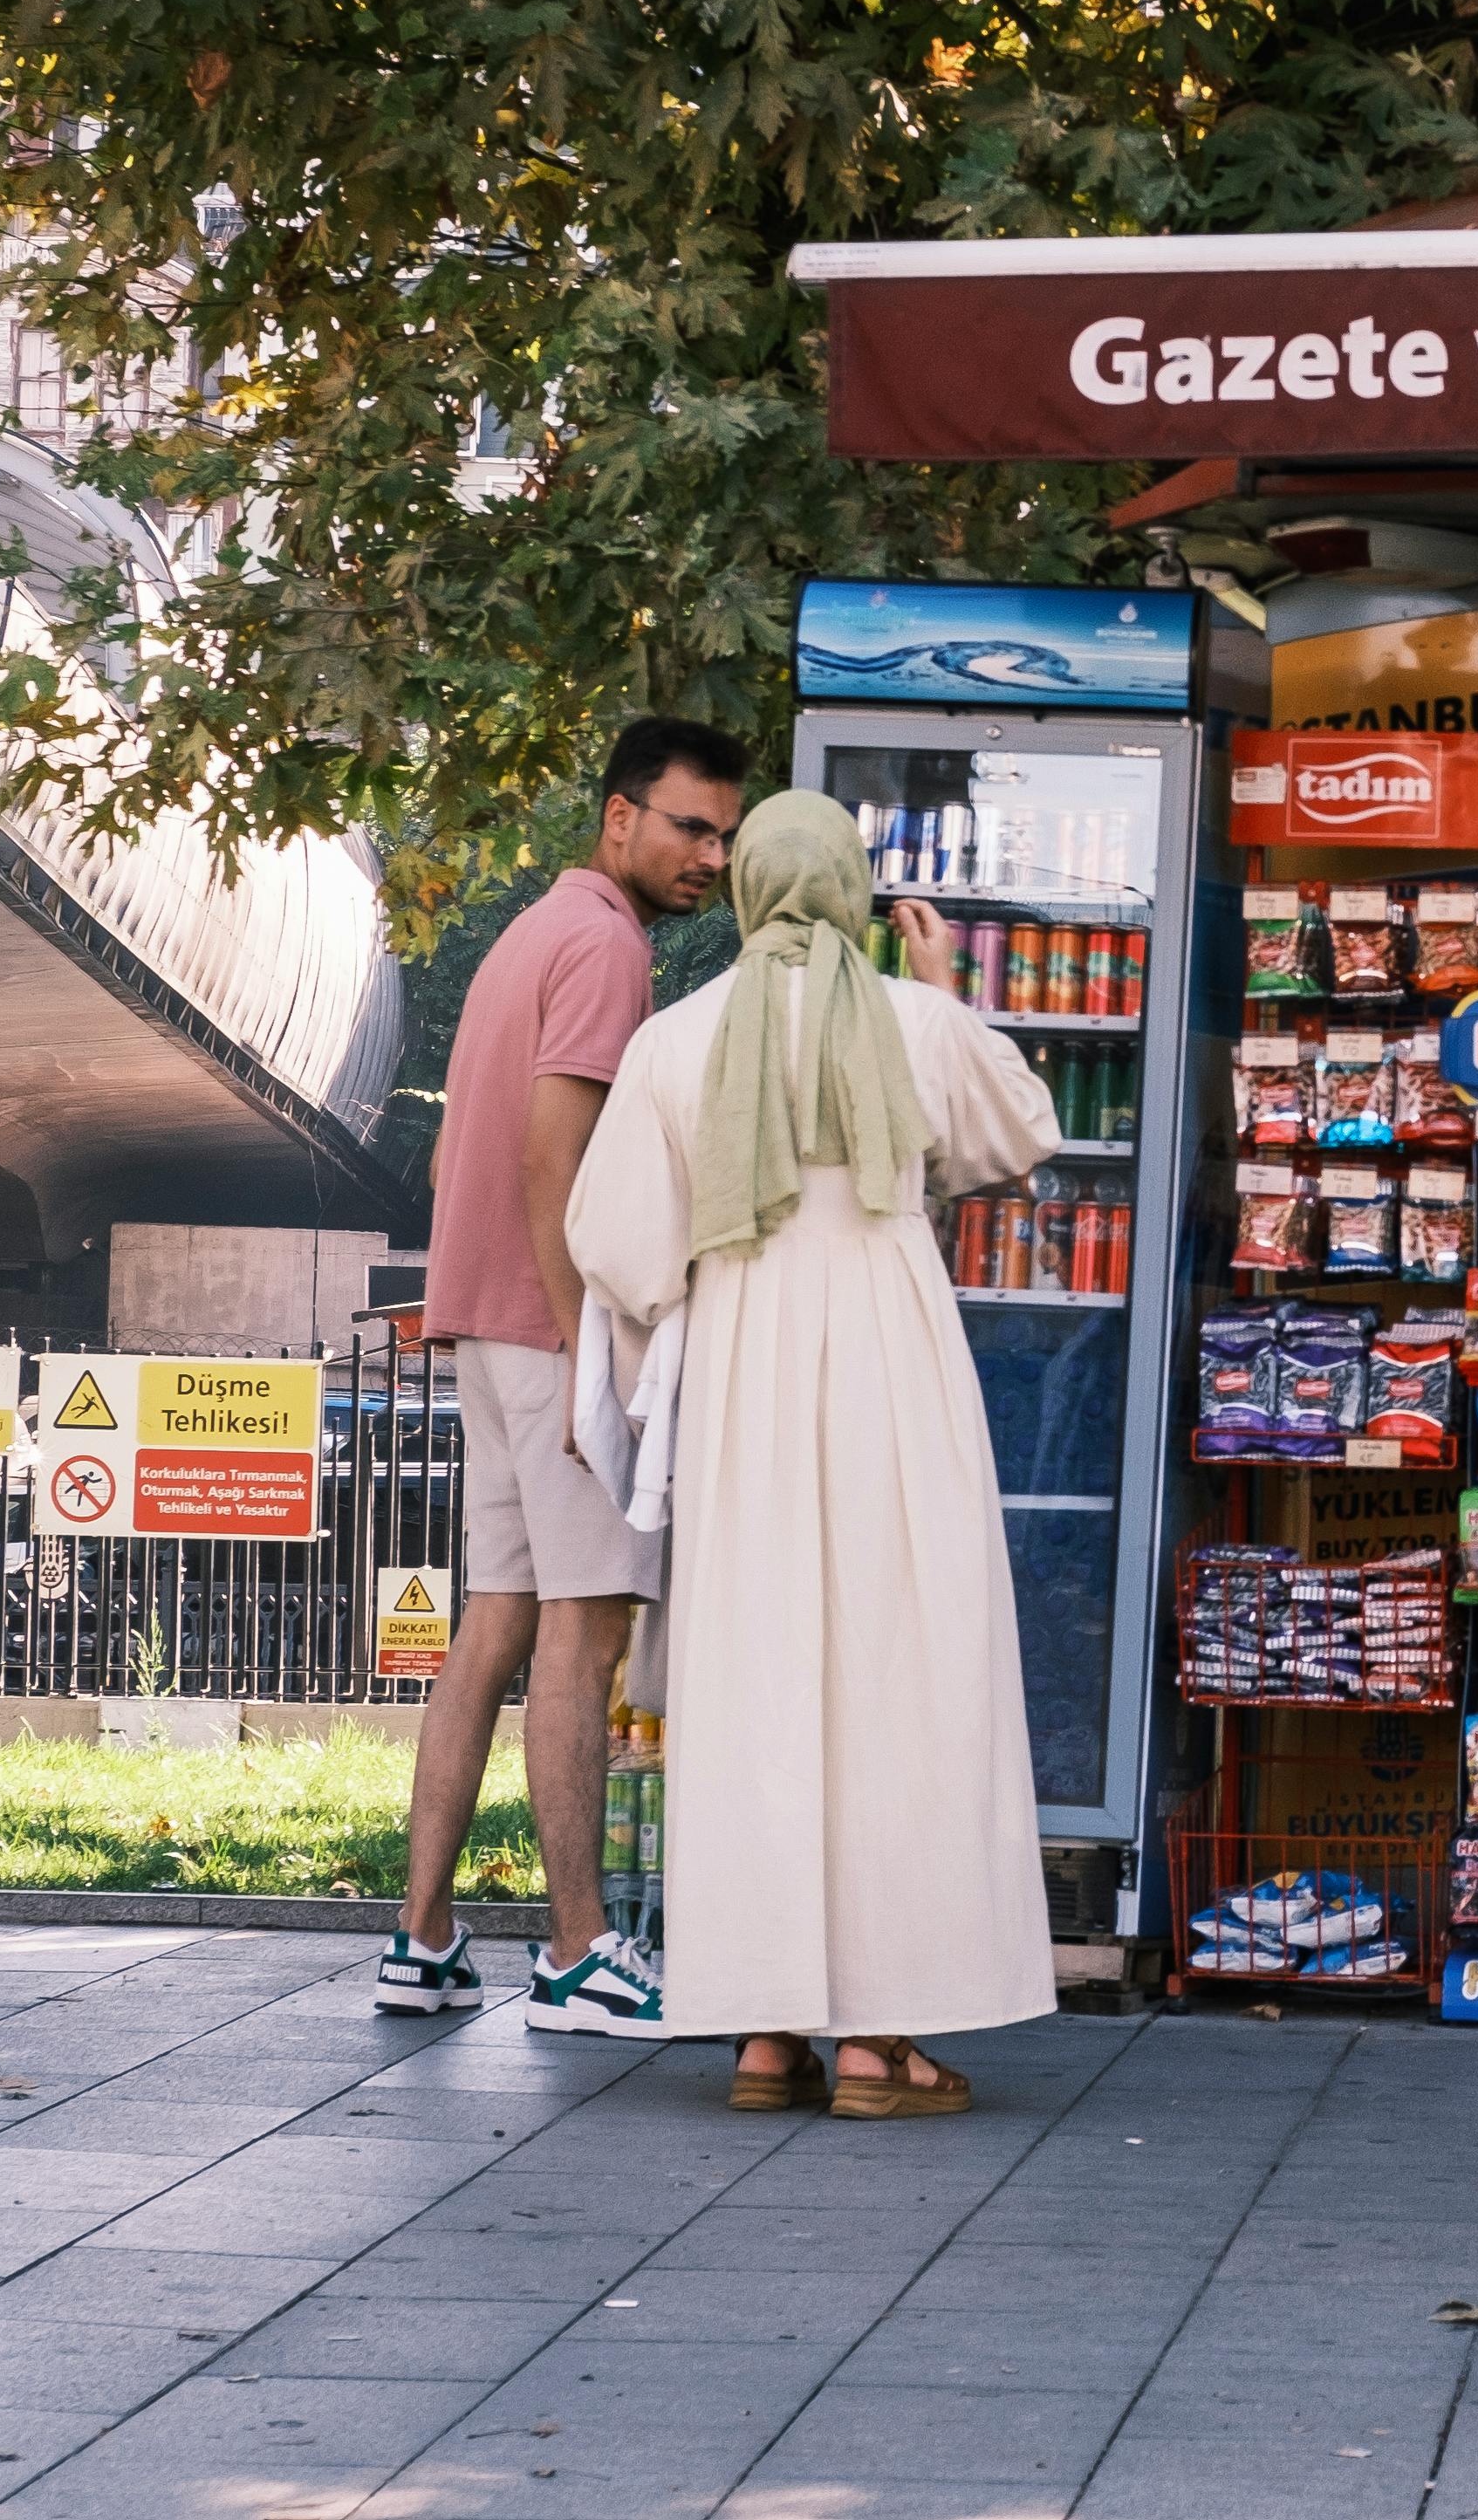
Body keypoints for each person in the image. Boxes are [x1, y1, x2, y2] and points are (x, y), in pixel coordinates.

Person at [565, 788, 1062, 2116]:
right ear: (846, 887)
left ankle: (766, 2031)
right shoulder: (911, 1021)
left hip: (745, 1382)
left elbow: (613, 1242)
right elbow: (1021, 1132)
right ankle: (880, 2040)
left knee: (758, 1689)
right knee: (904, 1683)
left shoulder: (678, 1040)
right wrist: (946, 984)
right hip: (895, 1373)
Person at [385, 714, 749, 2037]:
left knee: (494, 1631)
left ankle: (420, 1940)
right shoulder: (605, 944)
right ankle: (580, 1951)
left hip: (478, 1324)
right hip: (544, 1336)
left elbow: (458, 1159)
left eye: (723, 832)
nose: (709, 854)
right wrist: (589, 1346)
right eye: (687, 826)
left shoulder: (530, 933)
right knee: (584, 1638)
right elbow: (554, 1155)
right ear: (618, 817)